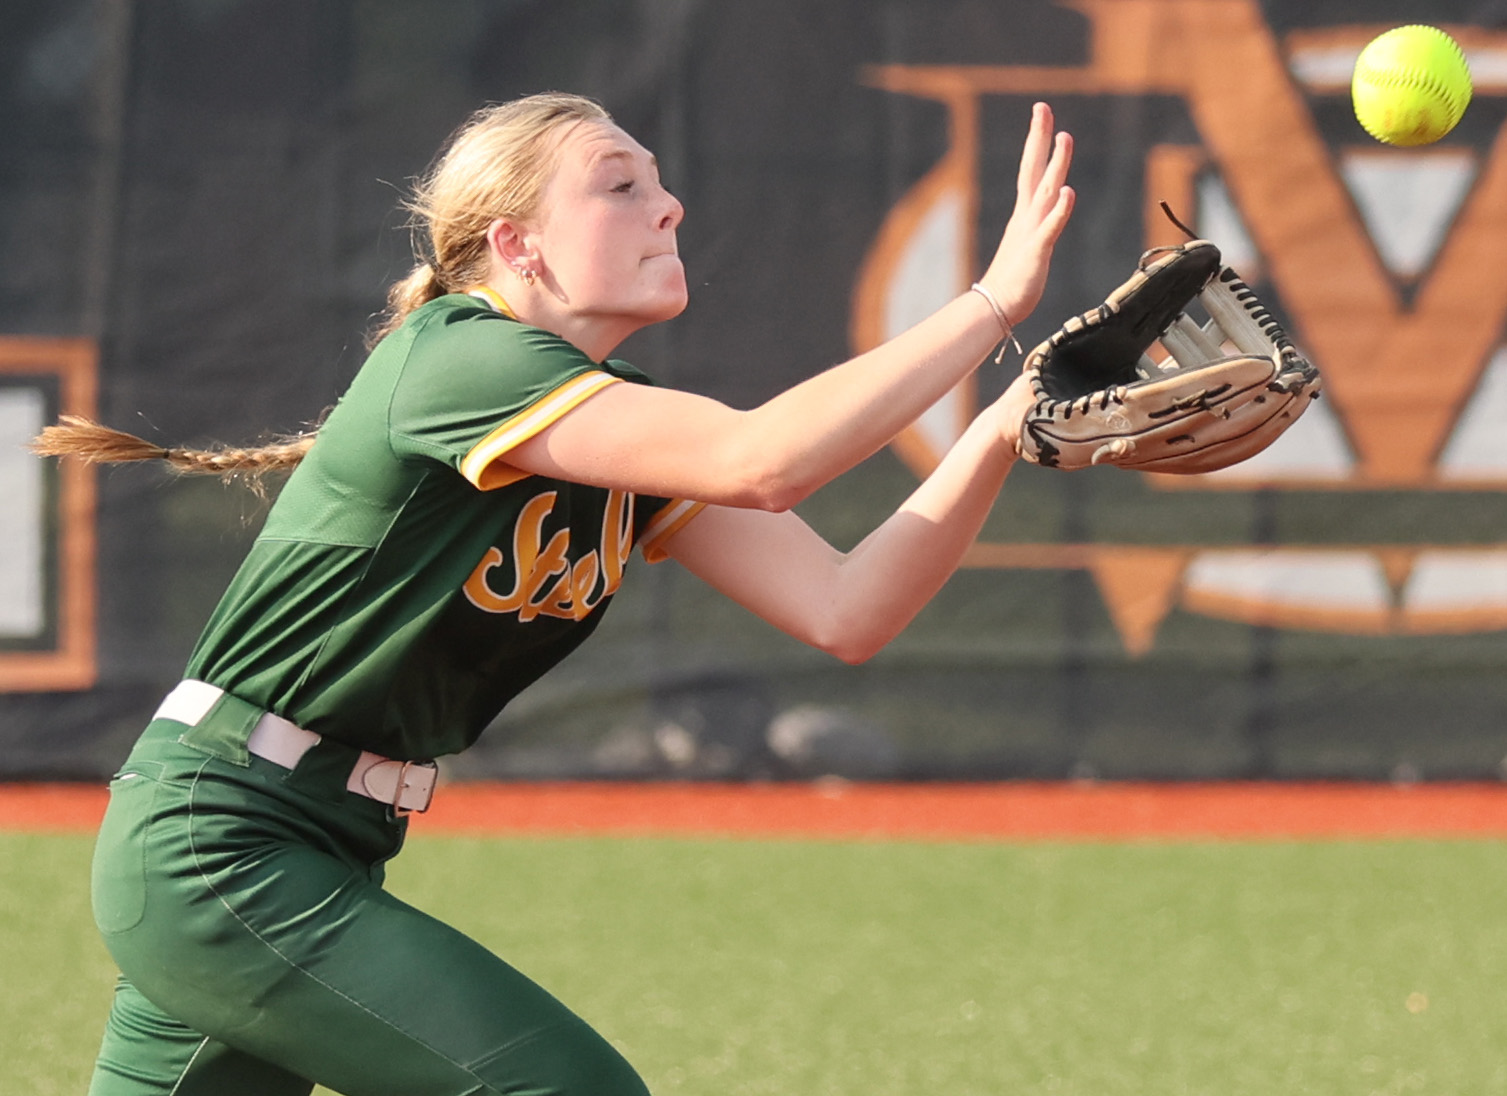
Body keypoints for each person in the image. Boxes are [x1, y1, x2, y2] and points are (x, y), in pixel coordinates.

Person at [39, 90, 1074, 1096]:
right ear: (517, 245)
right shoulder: (462, 356)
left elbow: (848, 609)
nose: (667, 207)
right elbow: (769, 459)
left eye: (661, 185)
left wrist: (1002, 422)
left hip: (306, 846)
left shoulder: (614, 429)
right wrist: (991, 305)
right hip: (220, 837)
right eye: (619, 185)